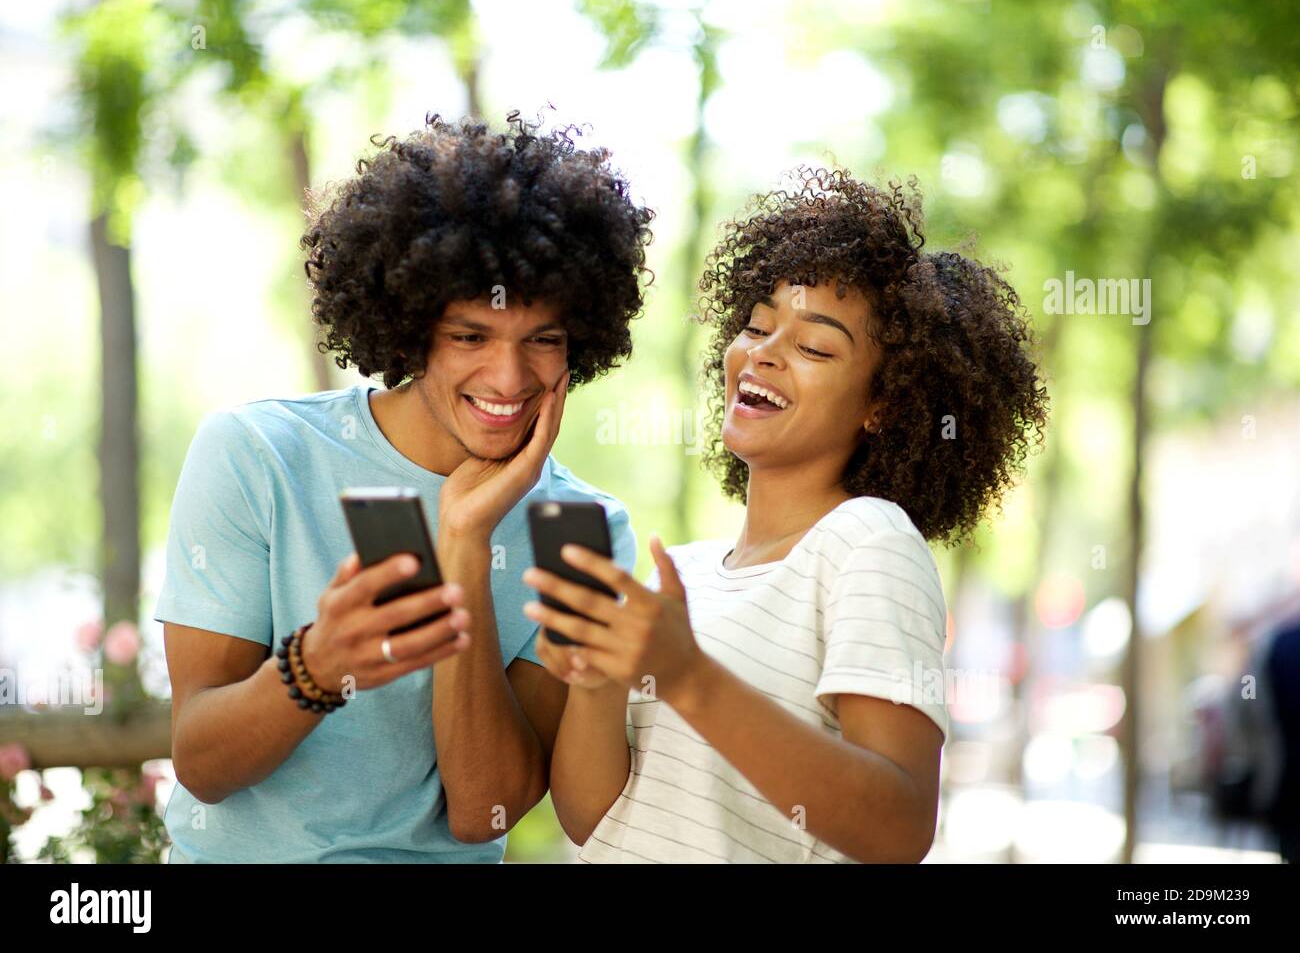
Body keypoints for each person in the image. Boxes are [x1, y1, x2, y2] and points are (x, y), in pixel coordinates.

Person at [155, 111, 653, 862]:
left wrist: (464, 540)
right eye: (470, 337)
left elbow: (484, 812)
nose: (510, 379)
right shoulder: (257, 455)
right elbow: (202, 766)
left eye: (542, 340)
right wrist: (317, 667)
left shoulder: (580, 528)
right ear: (409, 327)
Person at [525, 168, 1049, 863]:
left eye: (813, 347)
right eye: (758, 325)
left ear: (884, 404)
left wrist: (686, 676)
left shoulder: (868, 544)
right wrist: (596, 680)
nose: (763, 353)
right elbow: (594, 819)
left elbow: (898, 828)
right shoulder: (681, 572)